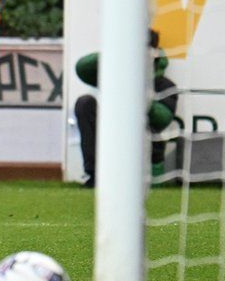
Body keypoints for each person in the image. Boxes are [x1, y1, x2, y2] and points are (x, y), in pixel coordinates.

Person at [74, 29, 178, 188]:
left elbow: (163, 120)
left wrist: (138, 94)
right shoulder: (114, 71)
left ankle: (142, 179)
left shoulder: (165, 85)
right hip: (111, 131)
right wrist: (115, 53)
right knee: (85, 103)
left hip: (142, 140)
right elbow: (82, 68)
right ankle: (95, 176)